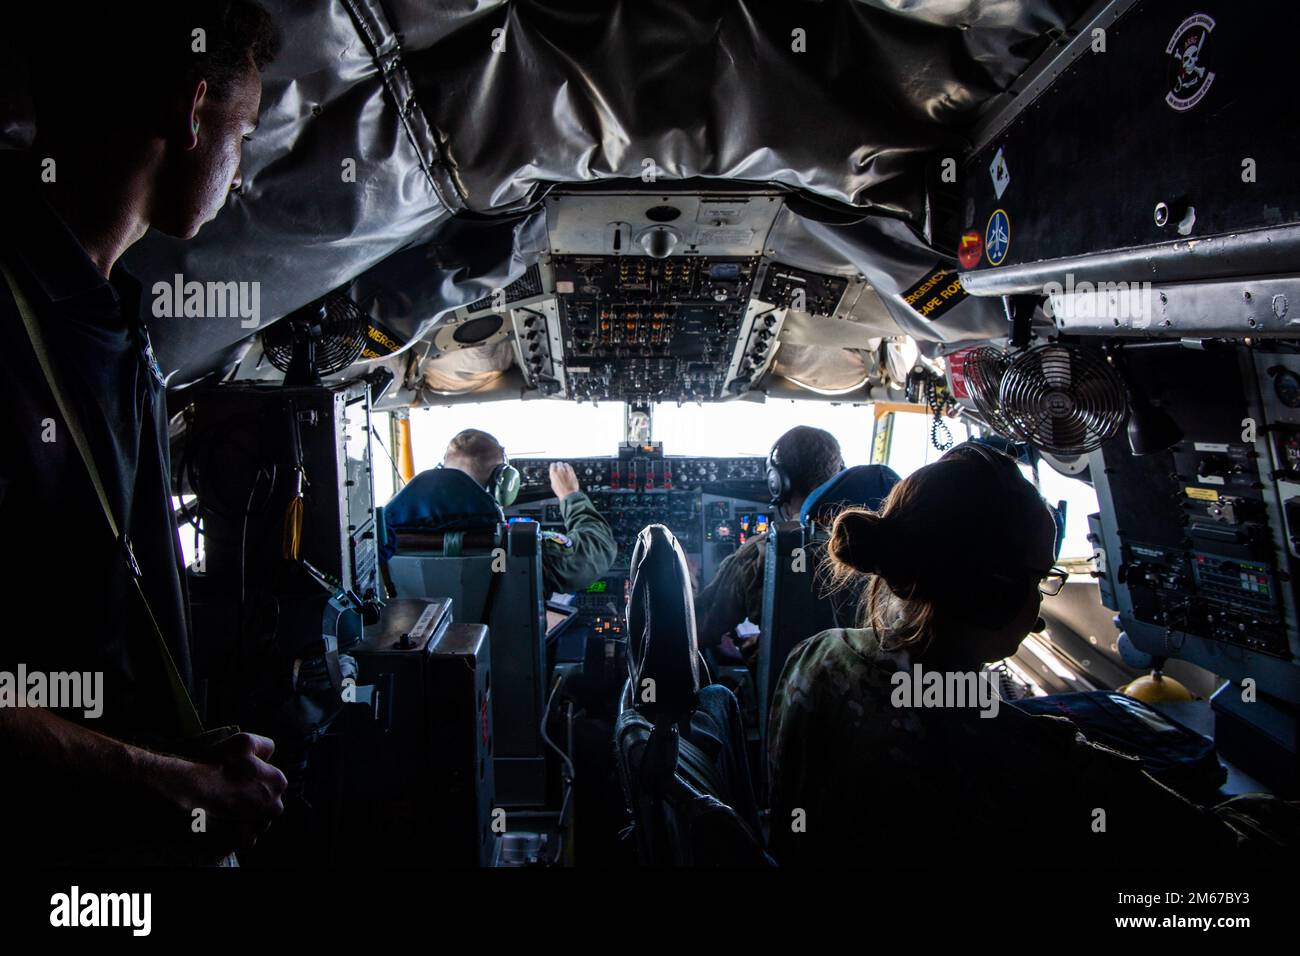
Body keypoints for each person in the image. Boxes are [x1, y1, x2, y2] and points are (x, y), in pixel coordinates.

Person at [0, 1, 286, 863]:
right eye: (246, 131)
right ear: (191, 111)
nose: (241, 175)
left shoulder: (114, 320)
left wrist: (176, 756)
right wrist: (160, 782)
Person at [767, 442, 1249, 866]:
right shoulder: (1034, 756)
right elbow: (1223, 848)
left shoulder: (812, 657)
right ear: (994, 593)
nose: (1039, 602)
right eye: (1038, 578)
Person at [383, 428, 617, 594]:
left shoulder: (381, 541)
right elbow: (597, 549)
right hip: (506, 661)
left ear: (441, 471)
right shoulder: (515, 546)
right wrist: (570, 495)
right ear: (503, 483)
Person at [694, 425, 844, 650]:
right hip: (871, 682)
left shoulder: (763, 553)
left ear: (778, 484)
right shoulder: (876, 544)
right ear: (840, 474)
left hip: (787, 684)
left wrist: (689, 578)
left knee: (715, 684)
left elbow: (696, 629)